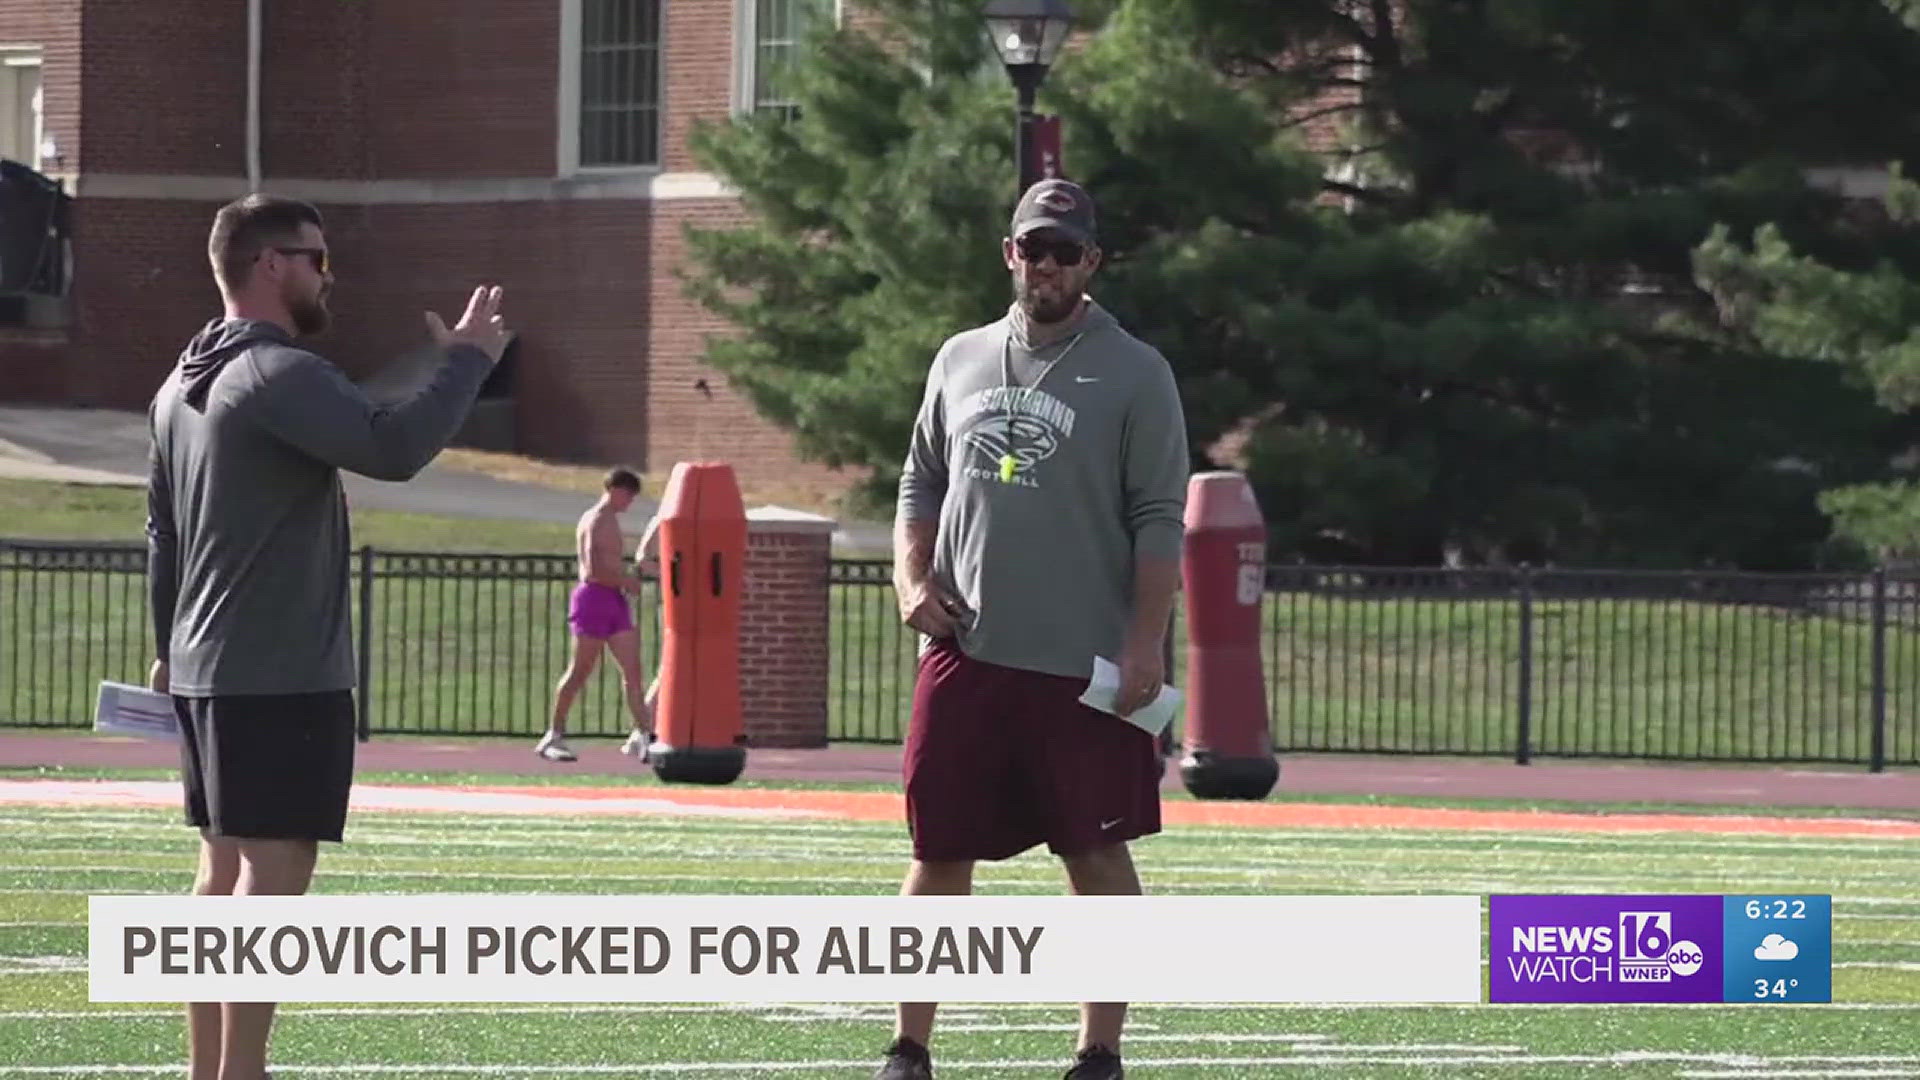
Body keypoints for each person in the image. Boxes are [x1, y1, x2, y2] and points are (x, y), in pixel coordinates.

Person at [144, 193, 509, 1080]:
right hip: (276, 675)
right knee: (271, 882)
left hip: (205, 669)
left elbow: (162, 535)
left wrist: (166, 647)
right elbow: (393, 448)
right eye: (317, 258)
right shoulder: (276, 372)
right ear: (271, 265)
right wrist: (467, 363)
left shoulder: (180, 382)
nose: (327, 273)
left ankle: (210, 1070)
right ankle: (242, 1072)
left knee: (219, 876)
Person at [875, 178, 1190, 1080]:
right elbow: (917, 484)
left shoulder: (1136, 371)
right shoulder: (959, 357)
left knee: (1094, 850)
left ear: (1091, 262)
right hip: (966, 651)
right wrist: (910, 581)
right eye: (1032, 246)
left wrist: (1145, 642)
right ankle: (909, 1047)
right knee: (937, 850)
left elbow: (1160, 517)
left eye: (1066, 250)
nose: (1046, 264)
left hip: (1081, 662)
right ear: (1009, 252)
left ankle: (1099, 1051)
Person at [536, 467, 657, 762]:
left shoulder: (612, 522)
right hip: (593, 600)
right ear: (616, 490)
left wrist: (626, 579)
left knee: (633, 671)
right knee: (580, 671)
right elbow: (593, 571)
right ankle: (554, 735)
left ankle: (644, 735)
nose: (629, 503)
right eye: (628, 496)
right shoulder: (596, 521)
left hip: (614, 601)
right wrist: (626, 581)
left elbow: (610, 567)